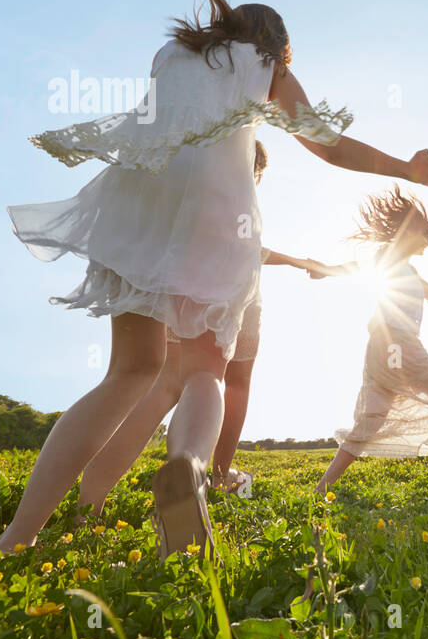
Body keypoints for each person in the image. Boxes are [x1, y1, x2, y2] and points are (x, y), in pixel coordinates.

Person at [0, 0, 428, 558]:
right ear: (279, 49)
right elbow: (326, 145)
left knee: (130, 371)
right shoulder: (265, 65)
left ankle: (15, 537)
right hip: (216, 214)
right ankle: (186, 468)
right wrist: (406, 168)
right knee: (206, 367)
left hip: (135, 208)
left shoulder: (173, 52)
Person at [75, 141, 317, 518]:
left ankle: (90, 499)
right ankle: (208, 472)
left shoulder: (185, 180)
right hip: (229, 290)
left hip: (173, 284)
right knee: (229, 381)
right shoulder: (236, 195)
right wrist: (300, 261)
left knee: (164, 386)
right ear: (253, 170)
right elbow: (251, 250)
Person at [305, 186, 428, 495]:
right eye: (426, 235)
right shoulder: (391, 259)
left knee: (371, 420)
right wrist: (326, 270)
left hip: (379, 347)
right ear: (411, 231)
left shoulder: (408, 270)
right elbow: (360, 269)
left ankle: (323, 488)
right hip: (398, 344)